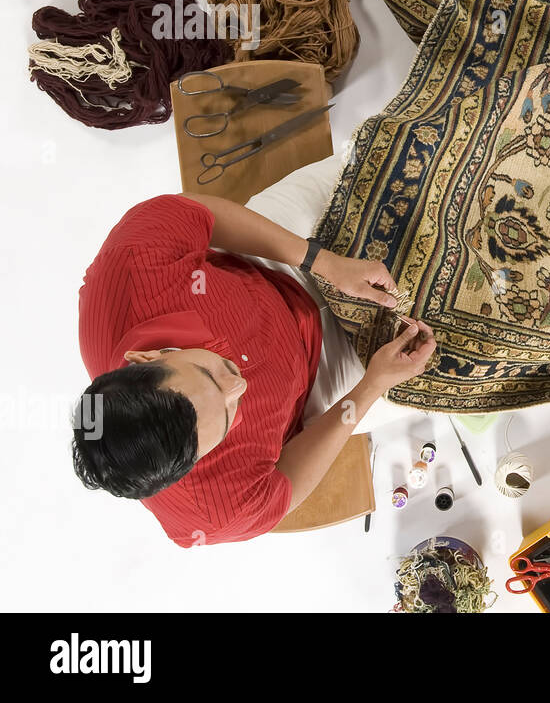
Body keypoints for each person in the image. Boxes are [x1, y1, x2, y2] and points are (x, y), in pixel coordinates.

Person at [72, 157, 434, 546]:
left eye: (210, 375)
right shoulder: (212, 511)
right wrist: (371, 386)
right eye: (229, 417)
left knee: (397, 161)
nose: (238, 386)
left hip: (264, 261)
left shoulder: (132, 266)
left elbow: (203, 216)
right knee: (445, 359)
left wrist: (323, 261)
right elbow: (288, 481)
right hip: (319, 383)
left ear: (146, 359)